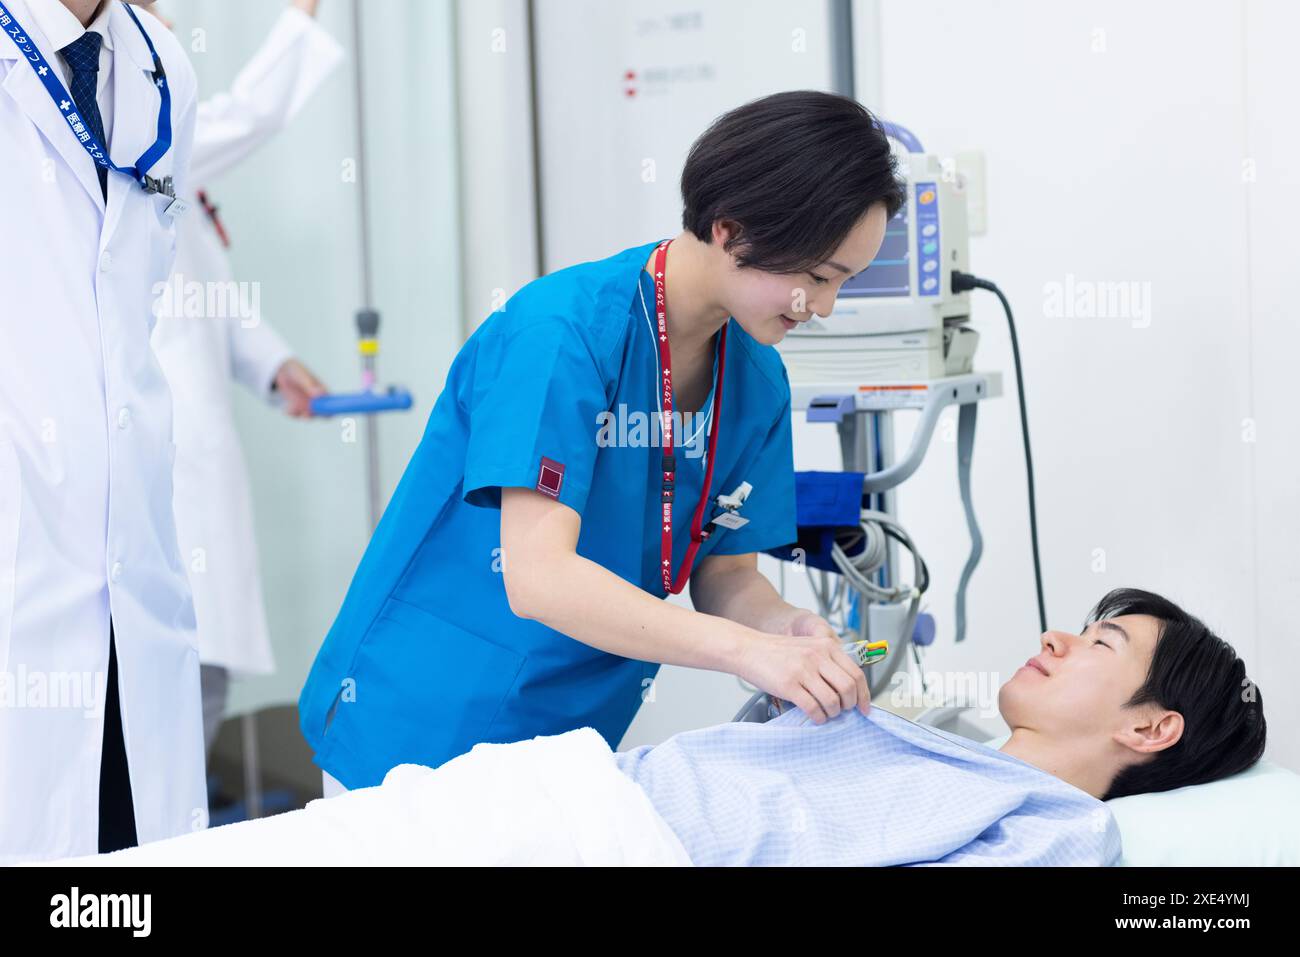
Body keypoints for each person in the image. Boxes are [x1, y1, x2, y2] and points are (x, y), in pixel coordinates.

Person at [299, 90, 908, 794]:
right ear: (731, 227)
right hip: (416, 731)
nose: (824, 307)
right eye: (817, 277)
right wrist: (747, 653)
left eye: (843, 284)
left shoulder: (757, 381)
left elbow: (727, 575)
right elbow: (538, 576)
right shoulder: (562, 334)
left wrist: (786, 631)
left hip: (569, 746)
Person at [61, 587, 1267, 866]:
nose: (1057, 639)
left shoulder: (1062, 829)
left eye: (1099, 648)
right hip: (570, 796)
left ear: (1153, 732)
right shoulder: (945, 740)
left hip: (612, 846)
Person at [0, 0, 202, 862]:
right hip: (20, 542)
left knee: (130, 859)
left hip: (134, 568)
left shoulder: (164, 69)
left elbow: (134, 296)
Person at [145, 0, 340, 757]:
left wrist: (272, 363)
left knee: (195, 698)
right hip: (154, 479)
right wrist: (299, 16)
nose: (160, 22)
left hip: (188, 469)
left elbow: (191, 288)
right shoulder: (143, 141)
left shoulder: (158, 157)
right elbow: (255, 112)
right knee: (168, 718)